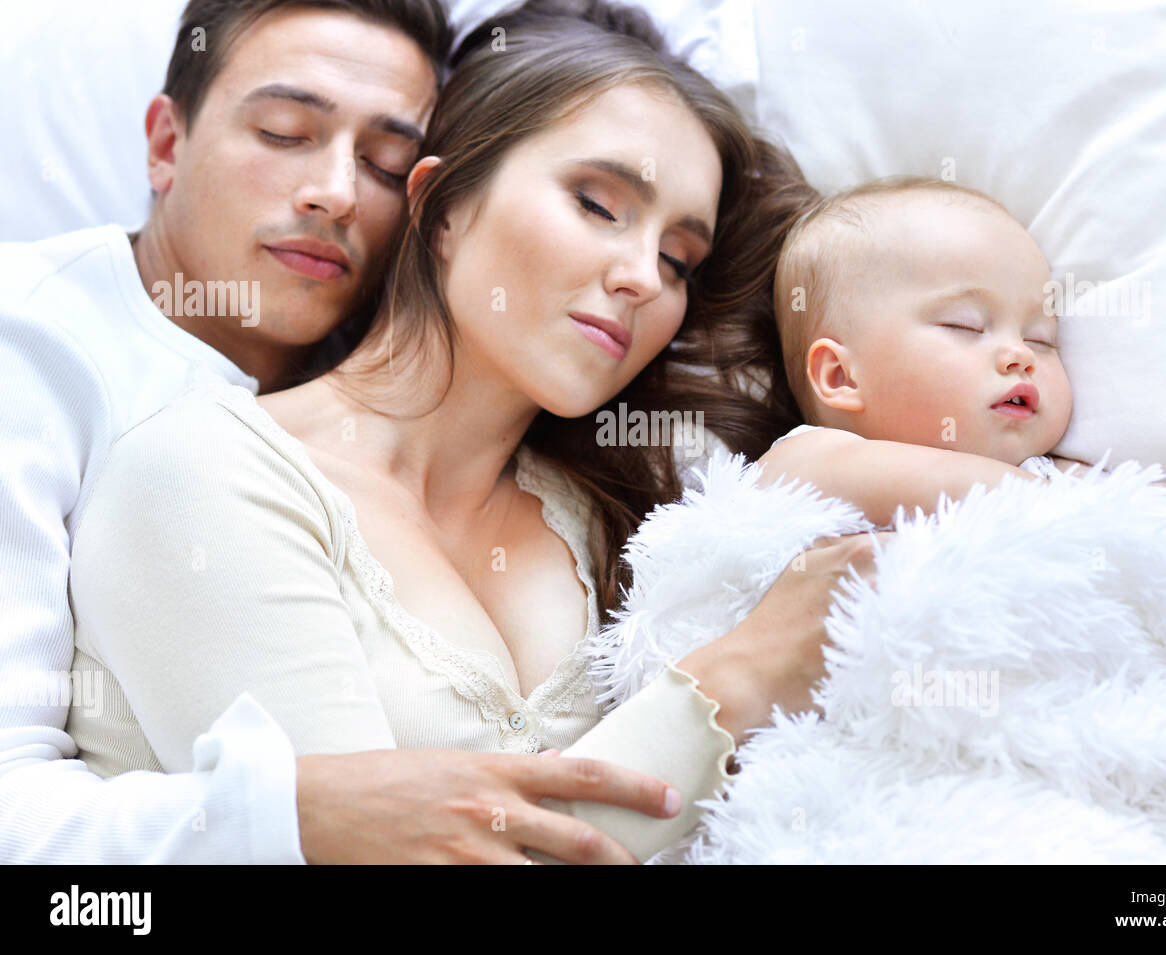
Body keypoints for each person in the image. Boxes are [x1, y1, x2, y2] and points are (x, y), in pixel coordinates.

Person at [0, 0, 873, 865]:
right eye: (598, 205)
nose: (644, 275)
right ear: (443, 205)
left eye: (680, 259)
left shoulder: (621, 510)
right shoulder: (184, 458)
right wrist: (730, 686)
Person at [760, 177, 1166, 529]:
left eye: (1041, 338)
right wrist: (1094, 514)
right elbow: (972, 496)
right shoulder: (805, 464)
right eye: (965, 325)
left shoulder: (1063, 481)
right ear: (840, 375)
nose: (1020, 354)